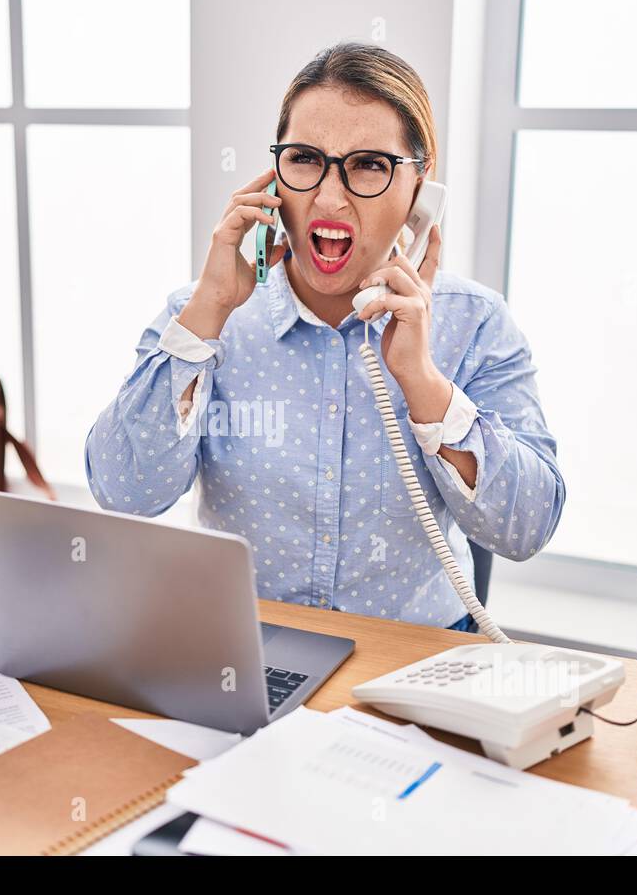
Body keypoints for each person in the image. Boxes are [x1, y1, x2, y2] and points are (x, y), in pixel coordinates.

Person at [85, 41, 564, 631]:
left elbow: (528, 528)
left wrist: (423, 383)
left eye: (369, 164)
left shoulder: (476, 323)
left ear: (421, 192)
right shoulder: (204, 315)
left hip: (413, 662)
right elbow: (123, 490)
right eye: (306, 158)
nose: (329, 197)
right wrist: (206, 315)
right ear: (274, 175)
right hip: (245, 656)